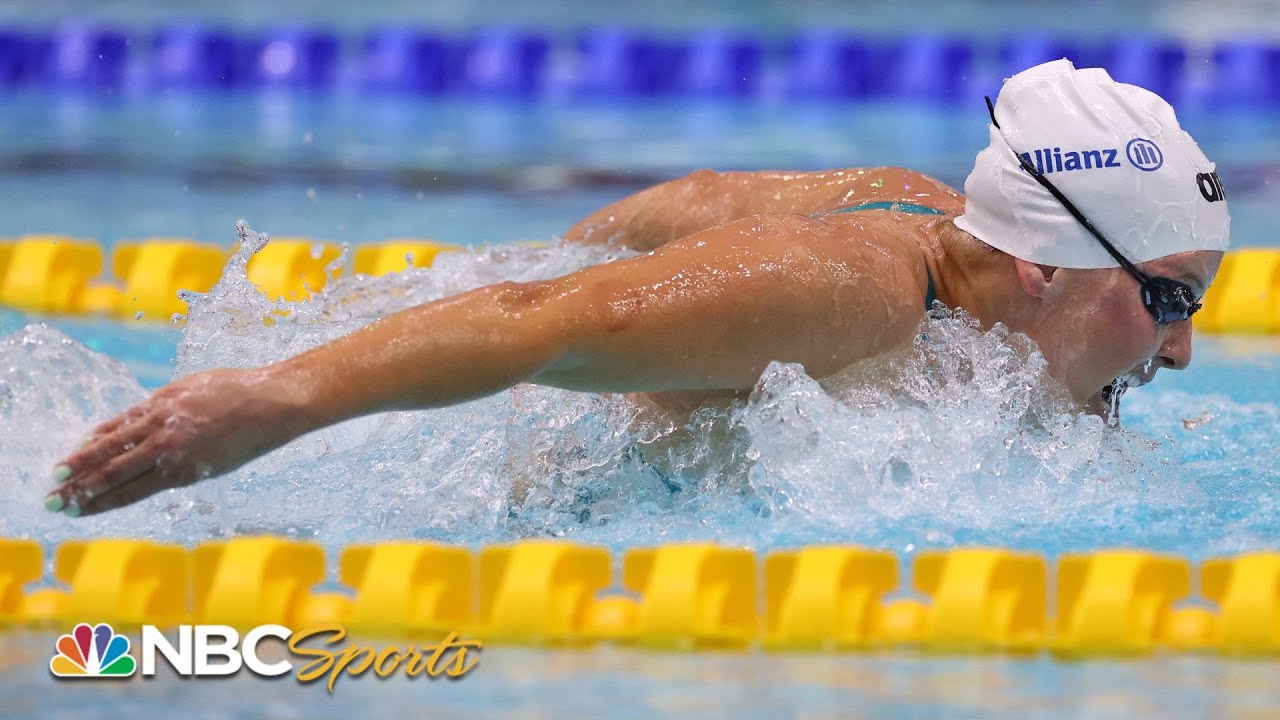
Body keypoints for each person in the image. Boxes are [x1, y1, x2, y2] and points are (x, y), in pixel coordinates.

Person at [44, 59, 1229, 518]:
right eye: (1166, 299)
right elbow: (557, 325)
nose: (1177, 353)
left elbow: (692, 199)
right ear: (1039, 261)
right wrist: (272, 403)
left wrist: (553, 249)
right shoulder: (850, 294)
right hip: (490, 502)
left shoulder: (918, 207)